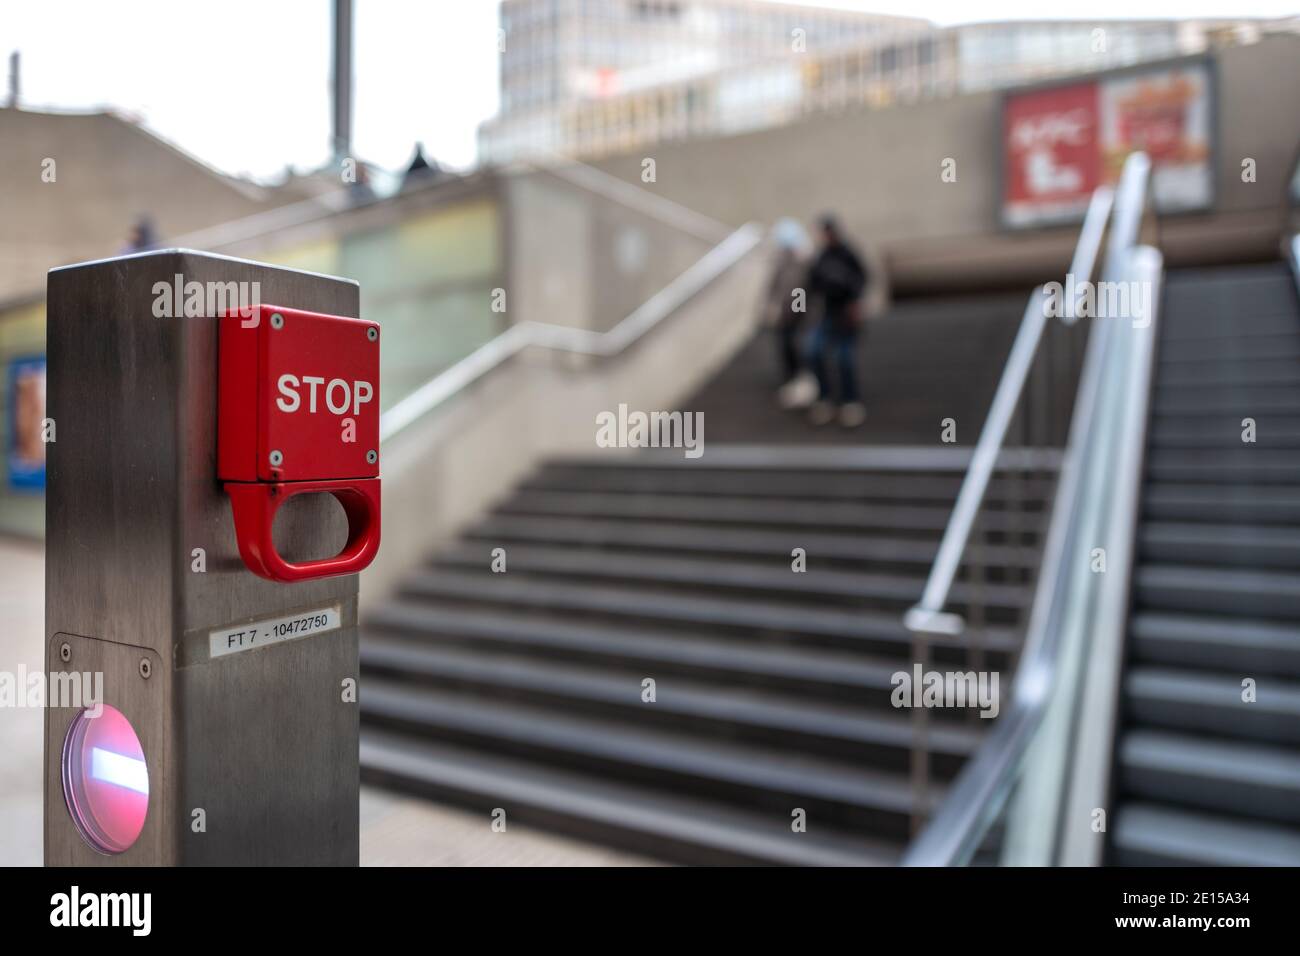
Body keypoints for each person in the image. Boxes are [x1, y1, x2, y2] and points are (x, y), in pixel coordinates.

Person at [805, 213, 868, 428]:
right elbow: (812, 282)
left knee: (844, 358)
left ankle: (850, 401)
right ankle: (825, 398)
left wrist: (855, 303)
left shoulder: (848, 253)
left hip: (846, 314)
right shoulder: (822, 257)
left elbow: (862, 278)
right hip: (828, 313)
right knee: (814, 351)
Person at [761, 219, 816, 408]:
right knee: (786, 350)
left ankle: (805, 384)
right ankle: (794, 382)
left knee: (798, 349)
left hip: (798, 317)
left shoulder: (803, 260)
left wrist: (795, 313)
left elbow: (799, 290)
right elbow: (774, 286)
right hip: (786, 317)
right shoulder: (782, 260)